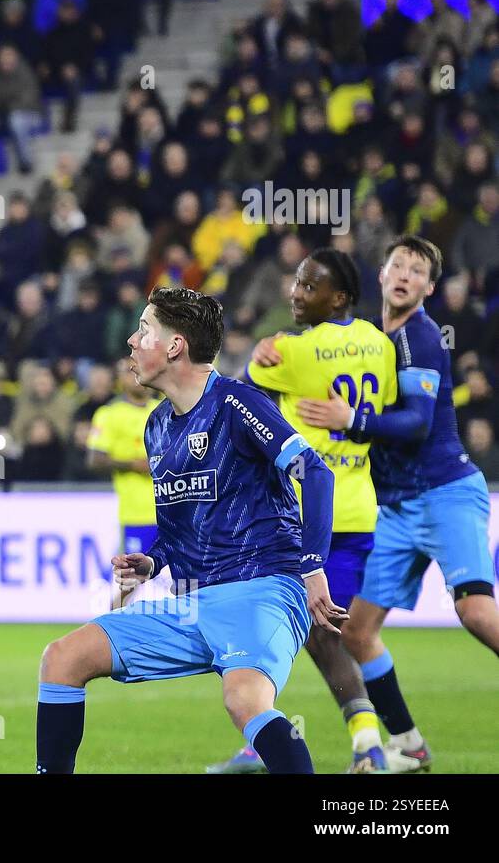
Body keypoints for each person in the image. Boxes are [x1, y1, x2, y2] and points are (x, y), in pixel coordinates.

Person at [36, 287, 338, 774]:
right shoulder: (157, 427)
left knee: (245, 700)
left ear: (174, 346)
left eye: (144, 330)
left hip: (259, 588)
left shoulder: (238, 402)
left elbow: (315, 473)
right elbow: (178, 533)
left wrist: (313, 565)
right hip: (193, 600)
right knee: (62, 658)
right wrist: (152, 561)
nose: (132, 342)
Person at [296, 236, 499, 772]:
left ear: (430, 288)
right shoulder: (371, 340)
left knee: (475, 610)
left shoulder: (422, 338)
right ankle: (408, 743)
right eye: (398, 264)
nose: (406, 273)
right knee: (356, 632)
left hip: (446, 491)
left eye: (418, 269)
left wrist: (352, 422)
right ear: (382, 275)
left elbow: (419, 423)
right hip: (400, 508)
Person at [208, 249, 399, 774]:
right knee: (307, 632)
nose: (295, 292)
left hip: (301, 513)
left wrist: (264, 353)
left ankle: (362, 743)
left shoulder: (295, 352)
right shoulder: (379, 345)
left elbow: (241, 396)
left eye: (309, 286)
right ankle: (294, 740)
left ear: (338, 297)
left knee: (292, 630)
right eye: (296, 281)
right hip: (358, 506)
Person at [86, 358, 160, 568]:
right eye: (128, 372)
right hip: (136, 512)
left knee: (179, 576)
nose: (135, 376)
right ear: (119, 379)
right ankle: (115, 603)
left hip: (172, 511)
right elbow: (94, 459)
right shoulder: (109, 414)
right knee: (131, 575)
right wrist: (132, 465)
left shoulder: (164, 409)